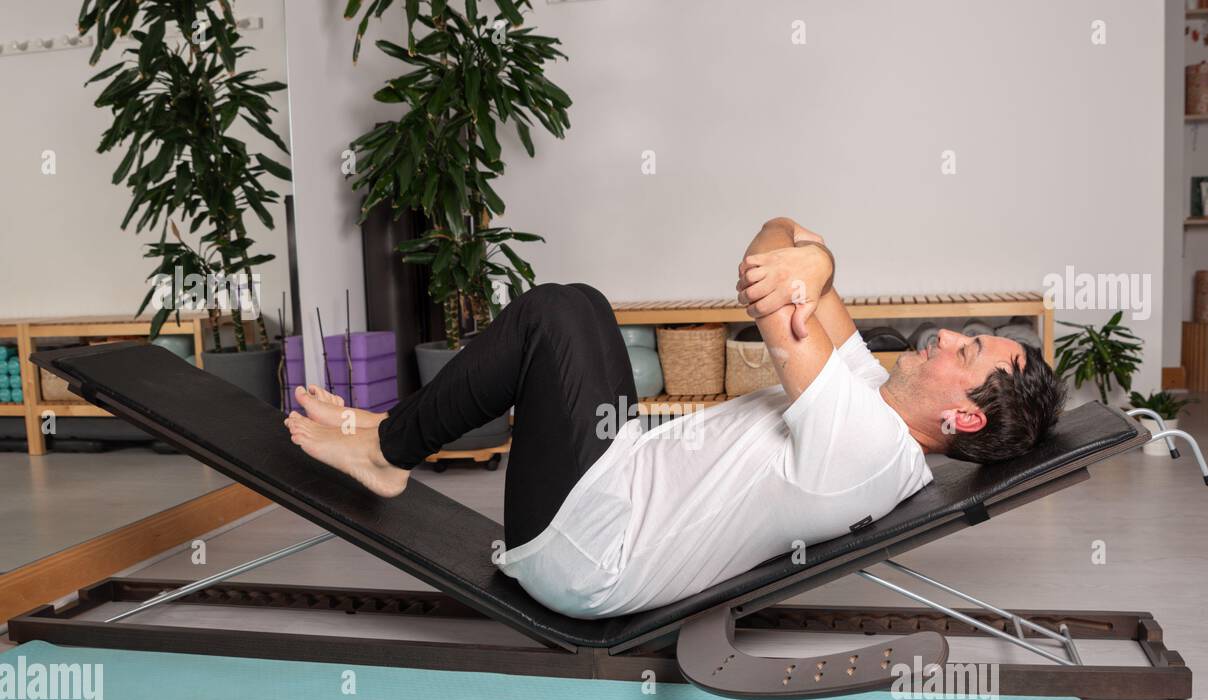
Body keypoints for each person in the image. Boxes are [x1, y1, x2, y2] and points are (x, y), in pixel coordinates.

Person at [285, 217, 1065, 618]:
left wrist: (811, 265)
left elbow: (773, 282)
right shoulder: (869, 396)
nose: (948, 338)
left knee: (553, 319)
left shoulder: (864, 446)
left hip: (590, 551)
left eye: (968, 354)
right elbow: (782, 235)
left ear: (962, 419)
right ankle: (382, 435)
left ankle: (385, 448)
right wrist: (808, 260)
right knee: (581, 304)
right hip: (617, 476)